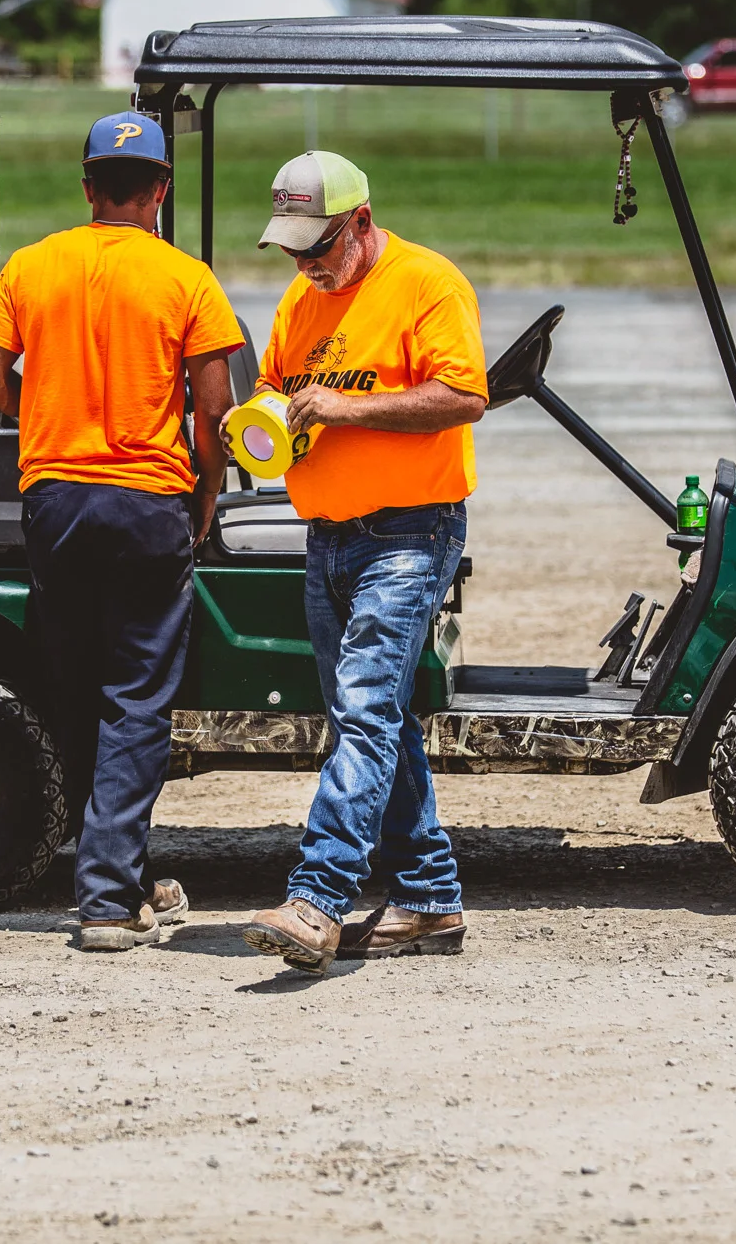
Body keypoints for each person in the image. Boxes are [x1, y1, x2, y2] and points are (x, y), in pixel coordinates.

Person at [0, 111, 243, 952]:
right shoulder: (185, 278)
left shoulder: (32, 264)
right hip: (145, 499)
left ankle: (125, 868)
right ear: (159, 191)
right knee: (137, 698)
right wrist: (208, 484)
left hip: (54, 499)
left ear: (90, 188)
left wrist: (42, 414)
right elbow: (214, 404)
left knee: (78, 684)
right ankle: (107, 904)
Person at [229, 151, 488, 975]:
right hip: (330, 537)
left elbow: (464, 394)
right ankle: (429, 897)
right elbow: (278, 378)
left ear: (362, 224)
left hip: (411, 533)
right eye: (293, 251)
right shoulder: (304, 298)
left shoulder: (426, 282)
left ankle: (319, 897)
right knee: (369, 719)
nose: (305, 266)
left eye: (318, 248)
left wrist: (347, 407)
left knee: (367, 711)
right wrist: (269, 414)